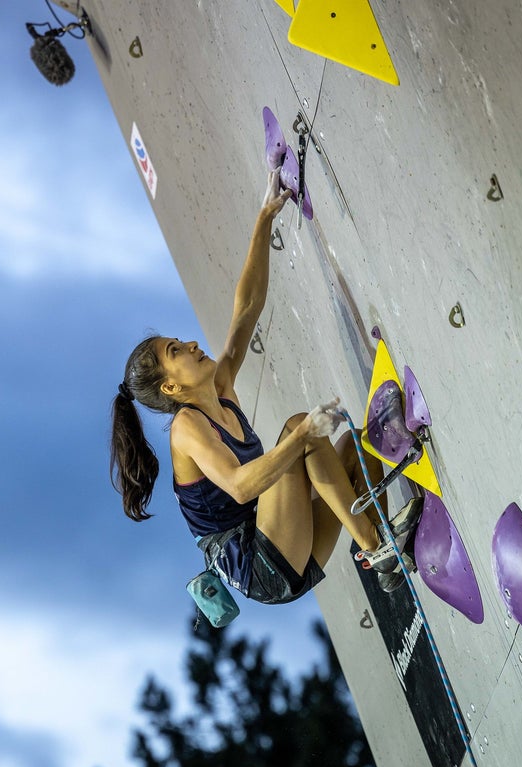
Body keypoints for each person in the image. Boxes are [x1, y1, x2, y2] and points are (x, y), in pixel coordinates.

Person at [110, 170, 417, 603]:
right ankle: (377, 547)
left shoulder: (220, 387)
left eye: (180, 341)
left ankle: (382, 555)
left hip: (284, 542)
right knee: (298, 430)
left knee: (357, 448)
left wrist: (265, 215)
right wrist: (304, 434)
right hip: (261, 565)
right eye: (176, 351)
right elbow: (239, 486)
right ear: (171, 389)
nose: (192, 344)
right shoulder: (186, 428)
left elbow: (247, 309)